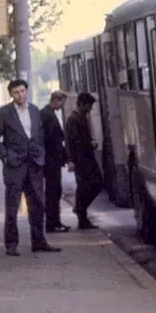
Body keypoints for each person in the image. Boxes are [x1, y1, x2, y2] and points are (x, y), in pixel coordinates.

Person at [0, 79, 60, 256]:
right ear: (11, 95)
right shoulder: (3, 113)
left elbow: (39, 134)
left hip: (34, 164)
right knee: (12, 206)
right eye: (16, 92)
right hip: (14, 165)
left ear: (27, 91)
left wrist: (40, 153)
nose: (20, 95)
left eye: (22, 91)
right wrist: (5, 156)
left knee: (37, 203)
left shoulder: (35, 110)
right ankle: (11, 243)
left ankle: (39, 241)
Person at [65, 92, 103, 230]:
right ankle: (81, 211)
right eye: (89, 105)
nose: (90, 109)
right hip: (82, 160)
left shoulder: (80, 118)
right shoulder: (73, 120)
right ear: (81, 104)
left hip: (86, 158)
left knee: (89, 186)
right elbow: (73, 142)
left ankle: (81, 213)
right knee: (90, 185)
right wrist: (90, 144)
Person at [39, 90, 71, 233]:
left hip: (50, 159)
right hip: (51, 160)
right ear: (57, 100)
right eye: (62, 102)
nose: (63, 105)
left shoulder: (46, 113)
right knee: (53, 192)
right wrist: (65, 157)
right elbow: (53, 140)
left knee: (54, 192)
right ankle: (53, 223)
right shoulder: (48, 115)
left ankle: (55, 222)